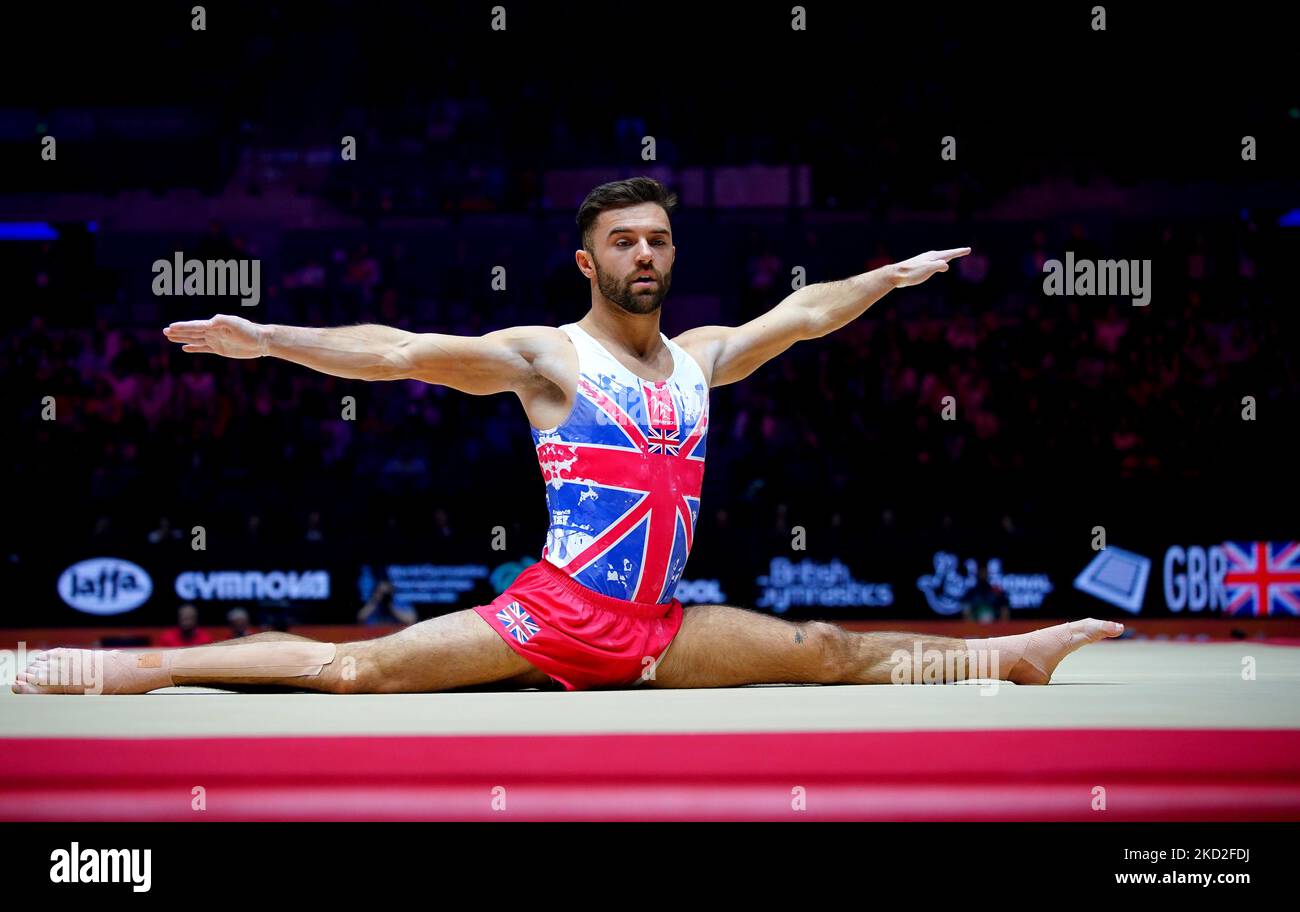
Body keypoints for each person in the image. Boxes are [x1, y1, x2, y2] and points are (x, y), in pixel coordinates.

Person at [17, 177, 1121, 696]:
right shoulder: (549, 356)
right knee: (350, 675)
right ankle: (127, 674)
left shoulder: (701, 357)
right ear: (587, 262)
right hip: (548, 613)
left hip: (656, 627)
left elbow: (805, 312)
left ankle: (1008, 656)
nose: (647, 254)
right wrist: (266, 340)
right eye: (624, 242)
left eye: (659, 239)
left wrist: (888, 274)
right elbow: (398, 351)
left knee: (829, 653)